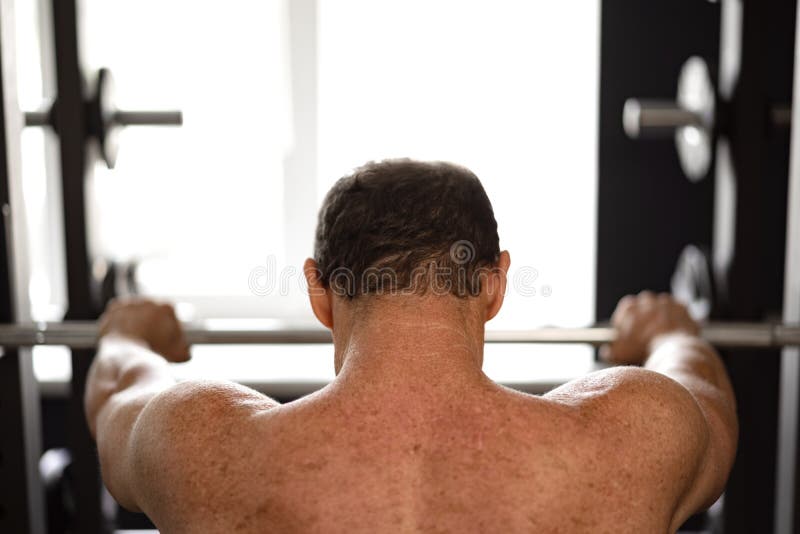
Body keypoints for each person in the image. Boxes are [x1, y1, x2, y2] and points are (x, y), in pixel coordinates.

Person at [85, 159, 737, 533]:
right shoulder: (631, 438)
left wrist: (129, 331)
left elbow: (119, 390)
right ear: (494, 285)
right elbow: (707, 405)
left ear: (319, 292)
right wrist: (669, 332)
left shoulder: (198, 445)